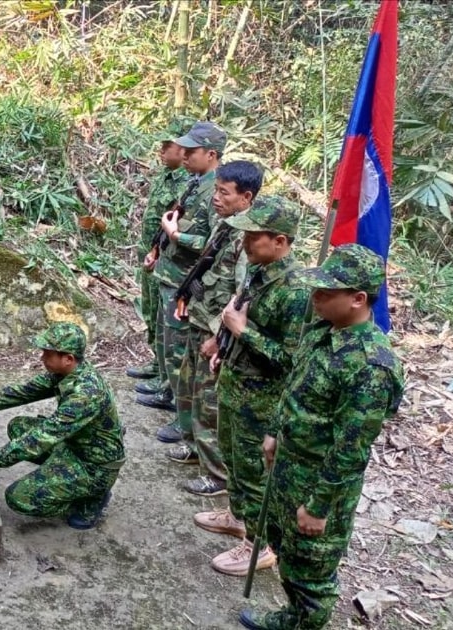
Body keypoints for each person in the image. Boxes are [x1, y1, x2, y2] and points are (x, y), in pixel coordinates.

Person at [240, 244, 404, 629]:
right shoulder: (323, 332)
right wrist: (274, 432)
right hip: (288, 465)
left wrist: (318, 507)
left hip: (318, 482)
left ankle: (306, 620)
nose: (315, 297)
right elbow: (296, 387)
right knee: (284, 548)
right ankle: (293, 614)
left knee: (311, 569)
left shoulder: (370, 365)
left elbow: (351, 448)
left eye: (327, 292)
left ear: (358, 299)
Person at [199, 198, 309, 576]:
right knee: (233, 460)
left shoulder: (296, 291)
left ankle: (259, 545)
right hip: (236, 383)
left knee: (254, 472)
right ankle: (237, 516)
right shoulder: (259, 271)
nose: (245, 242)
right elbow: (238, 311)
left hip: (262, 398)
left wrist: (242, 331)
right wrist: (223, 342)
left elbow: (291, 360)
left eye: (254, 237)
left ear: (280, 241)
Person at [0, 322, 124, 529]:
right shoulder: (68, 373)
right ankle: (62, 474)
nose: (42, 358)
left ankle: (91, 498)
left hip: (94, 465)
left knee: (19, 498)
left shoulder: (85, 394)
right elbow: (25, 391)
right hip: (74, 445)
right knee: (18, 427)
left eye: (48, 354)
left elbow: (41, 437)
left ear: (68, 359)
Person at [164, 161, 262, 500]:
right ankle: (193, 446)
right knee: (189, 386)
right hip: (198, 318)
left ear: (246, 196)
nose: (216, 198)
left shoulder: (247, 238)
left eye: (224, 192)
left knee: (209, 402)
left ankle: (217, 475)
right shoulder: (225, 225)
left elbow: (241, 296)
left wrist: (218, 339)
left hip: (213, 331)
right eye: (216, 190)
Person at [140, 121, 226, 421]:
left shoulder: (216, 192)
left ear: (211, 154)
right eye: (184, 150)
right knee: (166, 345)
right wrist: (159, 248)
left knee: (180, 353)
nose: (185, 155)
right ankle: (168, 392)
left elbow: (214, 243)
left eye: (193, 150)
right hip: (170, 274)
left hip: (185, 283)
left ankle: (183, 416)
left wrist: (177, 237)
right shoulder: (194, 183)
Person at [129, 122, 189, 398]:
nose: (162, 151)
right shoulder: (166, 176)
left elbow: (177, 225)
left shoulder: (187, 184)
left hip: (168, 259)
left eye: (168, 146)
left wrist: (159, 251)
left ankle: (168, 379)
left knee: (166, 319)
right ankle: (157, 364)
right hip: (152, 254)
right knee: (152, 312)